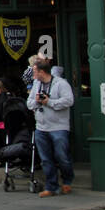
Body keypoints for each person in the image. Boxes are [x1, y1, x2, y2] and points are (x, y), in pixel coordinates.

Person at [27, 58, 74, 197]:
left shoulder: (61, 84)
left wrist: (49, 102)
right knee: (46, 159)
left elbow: (69, 100)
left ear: (42, 71)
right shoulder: (36, 84)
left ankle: (67, 180)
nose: (33, 74)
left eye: (34, 71)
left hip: (59, 126)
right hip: (41, 126)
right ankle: (51, 186)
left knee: (62, 156)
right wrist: (36, 101)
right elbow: (29, 103)